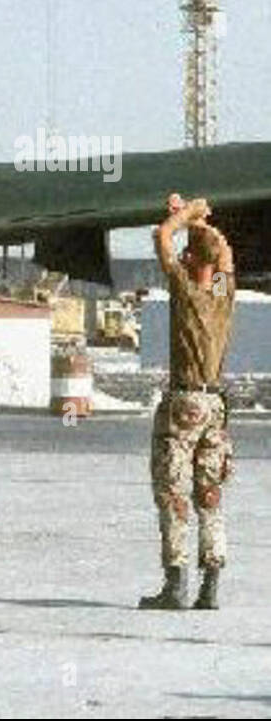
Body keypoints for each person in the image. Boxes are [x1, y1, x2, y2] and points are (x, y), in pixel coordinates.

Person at [140, 194, 235, 610]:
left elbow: (162, 237)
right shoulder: (222, 295)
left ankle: (175, 583)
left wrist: (184, 216)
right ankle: (210, 586)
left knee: (172, 492)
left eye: (187, 255)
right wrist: (200, 224)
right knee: (209, 493)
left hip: (185, 401)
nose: (181, 257)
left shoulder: (187, 290)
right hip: (215, 406)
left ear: (192, 262)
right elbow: (224, 254)